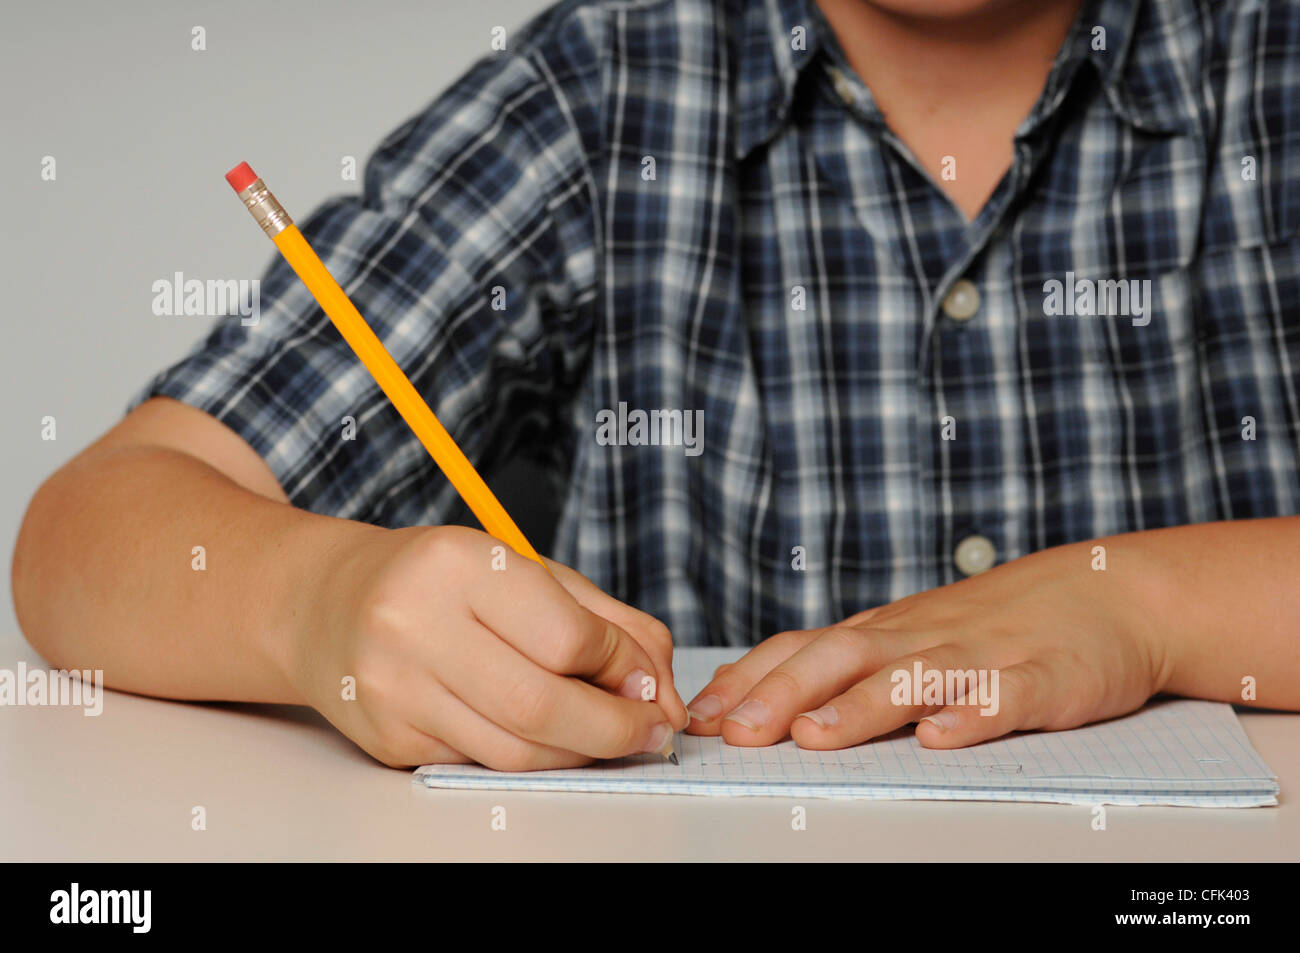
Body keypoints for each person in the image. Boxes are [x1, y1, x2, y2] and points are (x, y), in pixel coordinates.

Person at [13, 0, 1299, 769]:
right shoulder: (609, 84)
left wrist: (1141, 607)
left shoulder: (1269, 65)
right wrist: (321, 598)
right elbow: (83, 538)